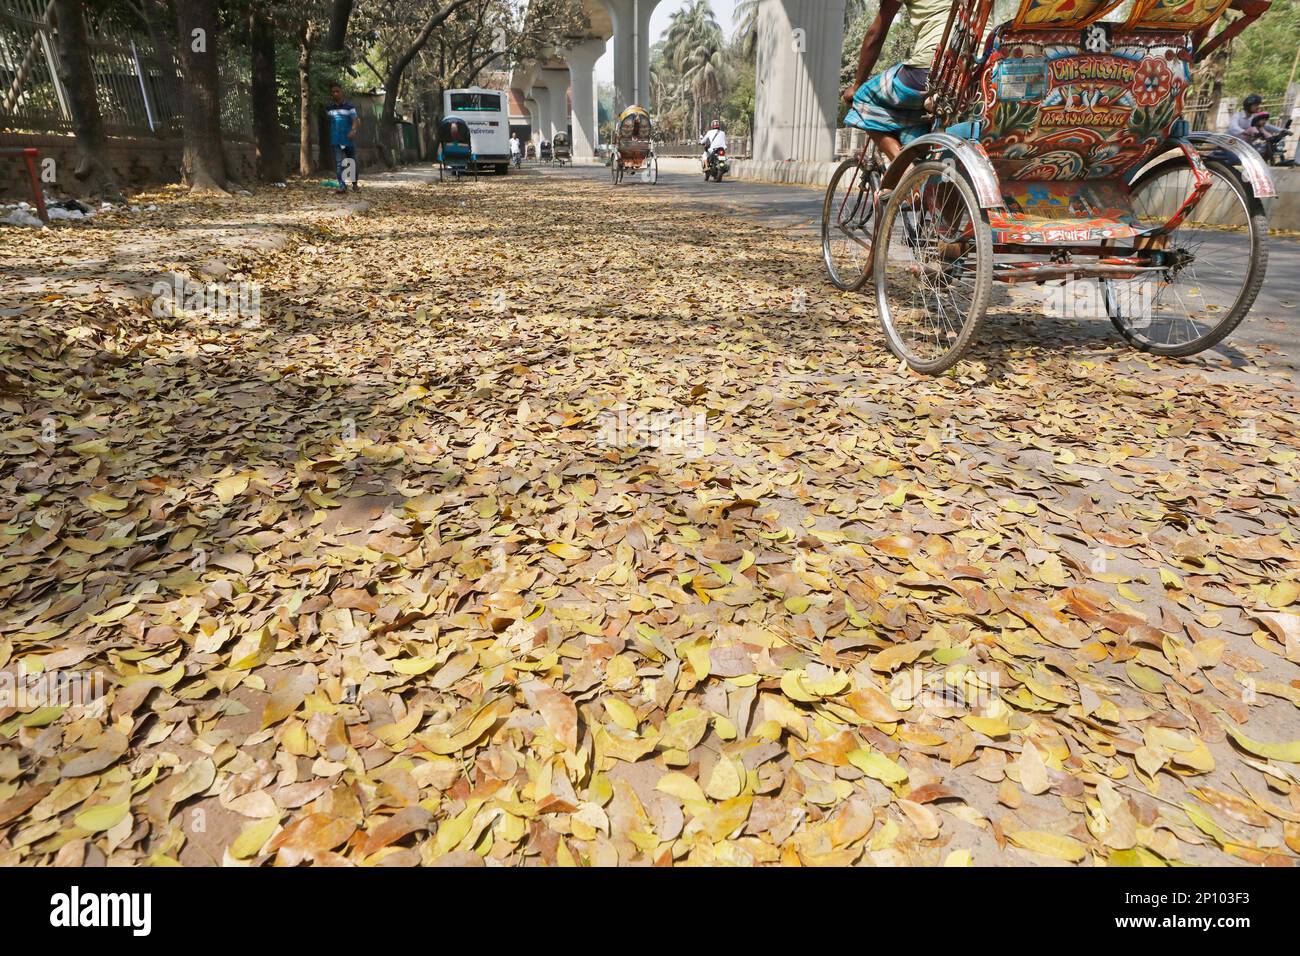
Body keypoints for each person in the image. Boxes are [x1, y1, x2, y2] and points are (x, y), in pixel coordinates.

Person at [842, 0, 955, 161]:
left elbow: (876, 34)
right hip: (979, 66)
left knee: (863, 99)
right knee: (919, 114)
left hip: (930, 69)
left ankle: (904, 170)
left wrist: (857, 85)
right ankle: (917, 172)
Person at [326, 83, 360, 195]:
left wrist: (353, 130)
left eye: (337, 91)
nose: (335, 93)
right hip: (336, 140)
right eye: (333, 92)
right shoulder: (329, 108)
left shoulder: (350, 107)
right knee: (340, 163)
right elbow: (329, 121)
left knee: (351, 162)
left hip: (348, 139)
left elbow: (355, 120)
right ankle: (342, 186)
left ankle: (354, 184)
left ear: (342, 92)